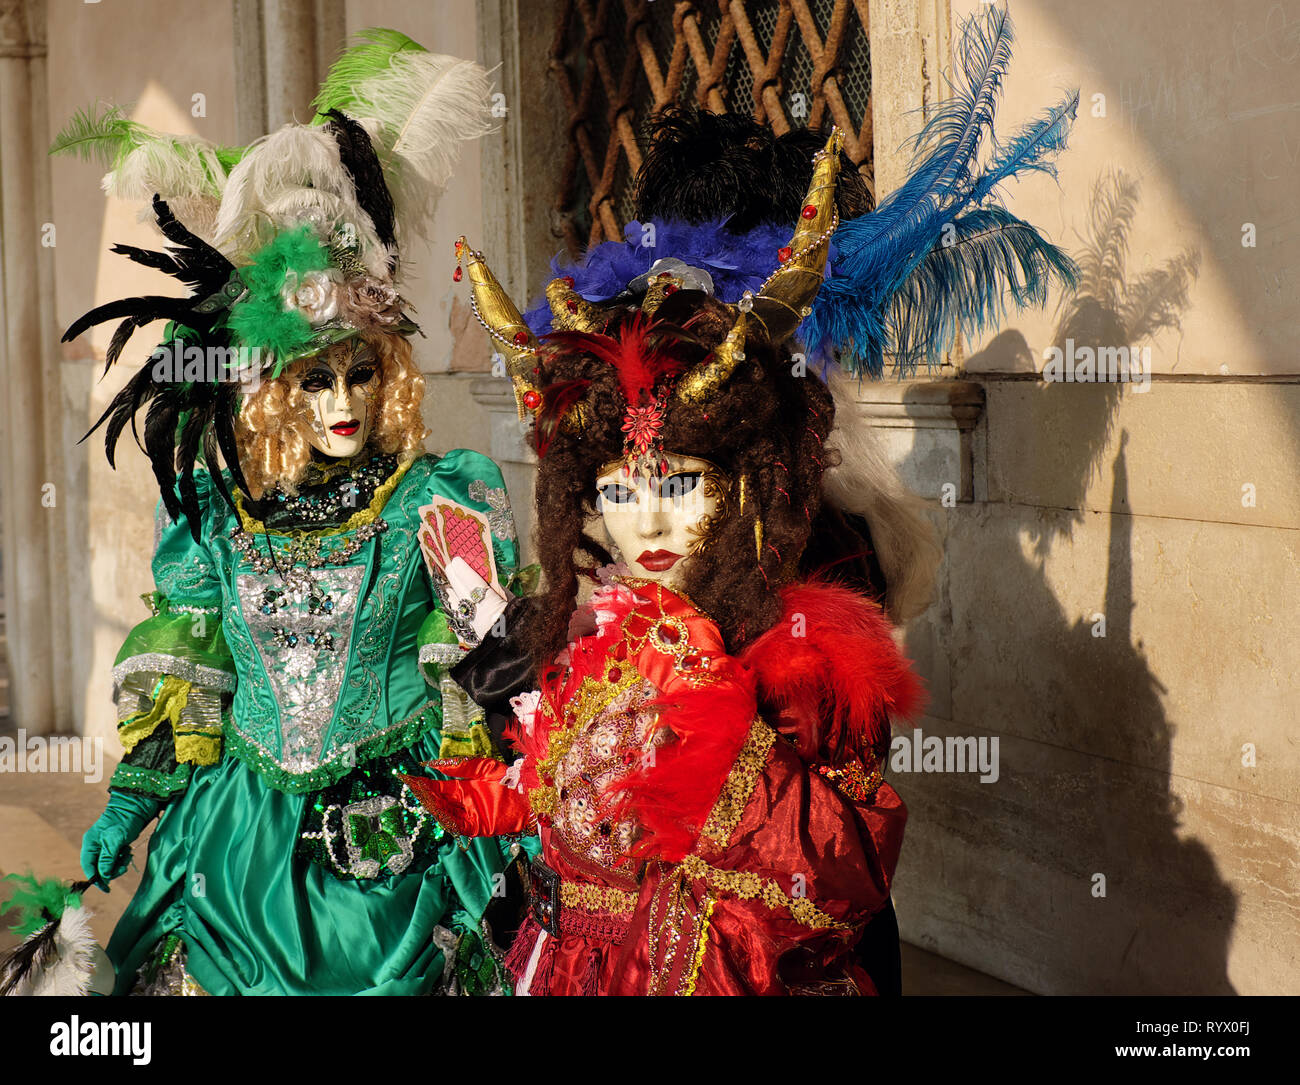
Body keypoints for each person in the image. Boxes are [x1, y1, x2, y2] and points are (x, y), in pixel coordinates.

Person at [406, 5, 1076, 995]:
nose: (650, 514)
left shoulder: (821, 551)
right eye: (624, 487)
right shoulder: (629, 545)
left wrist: (698, 731)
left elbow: (828, 850)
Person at [62, 30, 526, 995]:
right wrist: (132, 800)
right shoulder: (217, 521)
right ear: (275, 392)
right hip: (238, 844)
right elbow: (198, 667)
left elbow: (496, 678)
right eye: (315, 380)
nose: (343, 403)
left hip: (398, 843)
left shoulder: (438, 504)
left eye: (360, 373)